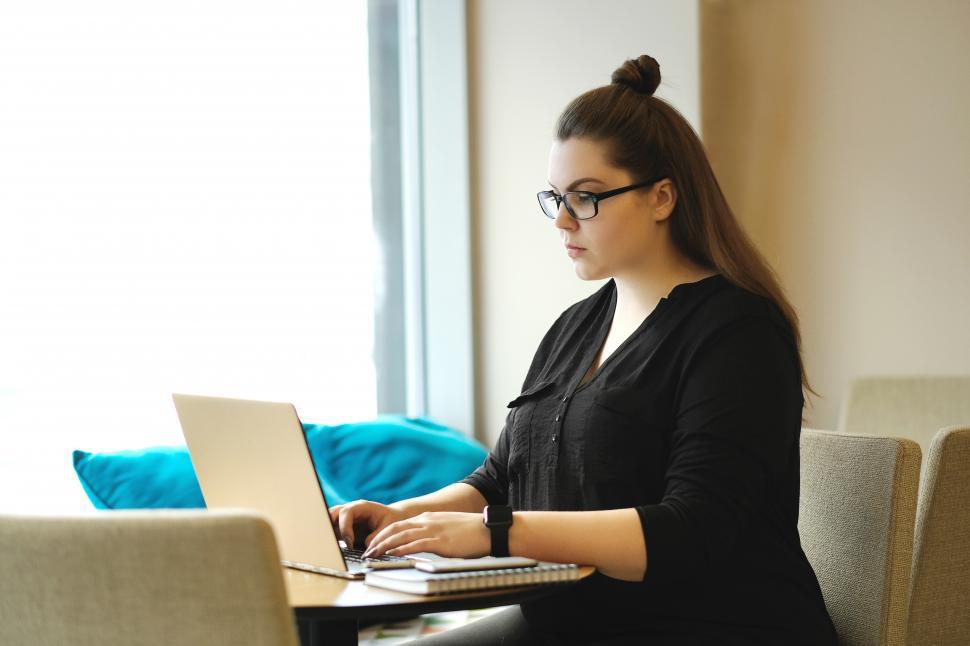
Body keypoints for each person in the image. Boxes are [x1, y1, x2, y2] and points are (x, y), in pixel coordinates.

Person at [329, 54, 839, 645]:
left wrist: (498, 534)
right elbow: (500, 480)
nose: (563, 222)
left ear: (662, 197)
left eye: (586, 197)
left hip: (706, 627)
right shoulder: (576, 327)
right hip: (574, 621)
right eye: (555, 199)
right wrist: (406, 516)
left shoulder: (738, 332)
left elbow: (692, 531)